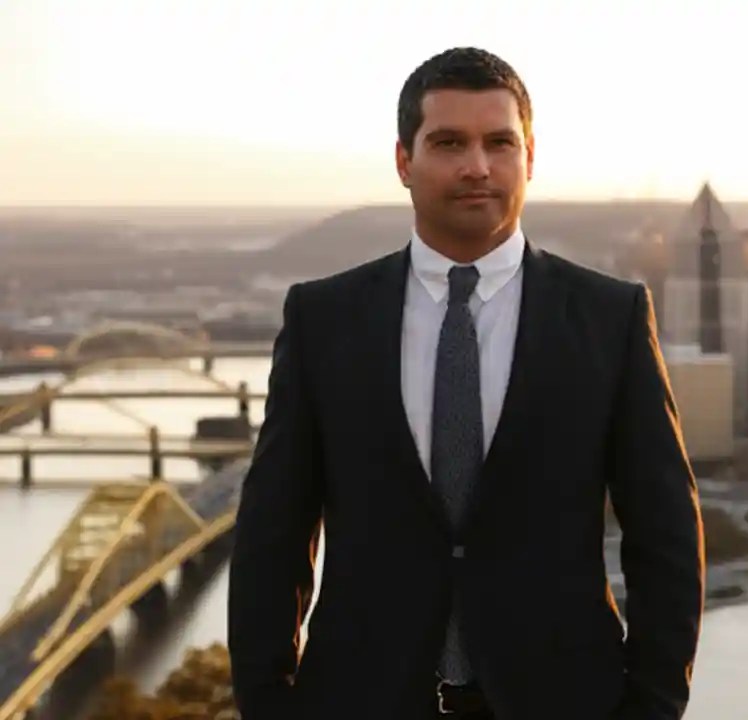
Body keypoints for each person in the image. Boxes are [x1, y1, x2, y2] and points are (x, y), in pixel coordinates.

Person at [227, 47, 705, 719]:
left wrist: (650, 709)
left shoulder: (610, 319)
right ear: (404, 161)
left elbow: (666, 534)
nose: (477, 166)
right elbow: (273, 535)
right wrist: (269, 704)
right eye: (449, 142)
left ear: (529, 158)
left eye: (499, 143)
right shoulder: (323, 320)